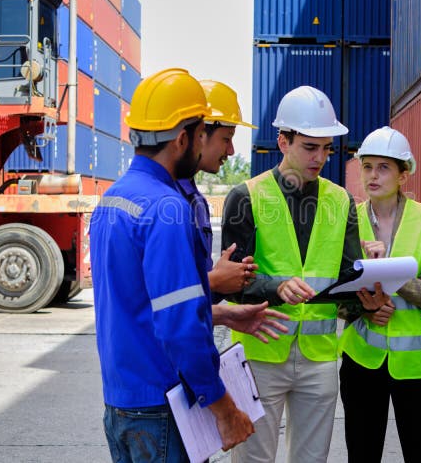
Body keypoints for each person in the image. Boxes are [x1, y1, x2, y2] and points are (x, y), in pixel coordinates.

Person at [89, 68, 253, 462]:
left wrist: (221, 315)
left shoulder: (112, 200)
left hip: (121, 402)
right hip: (162, 408)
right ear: (182, 139)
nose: (208, 148)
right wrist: (225, 410)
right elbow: (179, 328)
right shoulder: (167, 209)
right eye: (201, 137)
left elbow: (138, 307)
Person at [222, 86, 388, 463]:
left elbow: (346, 278)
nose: (321, 158)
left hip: (320, 357)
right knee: (253, 459)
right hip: (259, 351)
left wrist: (367, 298)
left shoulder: (341, 200)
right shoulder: (245, 197)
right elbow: (231, 284)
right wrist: (276, 287)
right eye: (310, 147)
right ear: (283, 141)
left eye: (326, 148)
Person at [338, 126, 421, 463]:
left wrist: (391, 272)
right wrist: (364, 308)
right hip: (362, 361)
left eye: (384, 167)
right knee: (362, 454)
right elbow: (338, 298)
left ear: (404, 175)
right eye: (367, 166)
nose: (372, 175)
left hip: (417, 366)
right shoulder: (349, 219)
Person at [177, 80, 260, 303]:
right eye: (227, 138)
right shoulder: (168, 202)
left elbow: (192, 300)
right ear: (201, 133)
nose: (231, 151)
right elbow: (159, 298)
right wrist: (213, 281)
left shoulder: (194, 200)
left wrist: (223, 282)